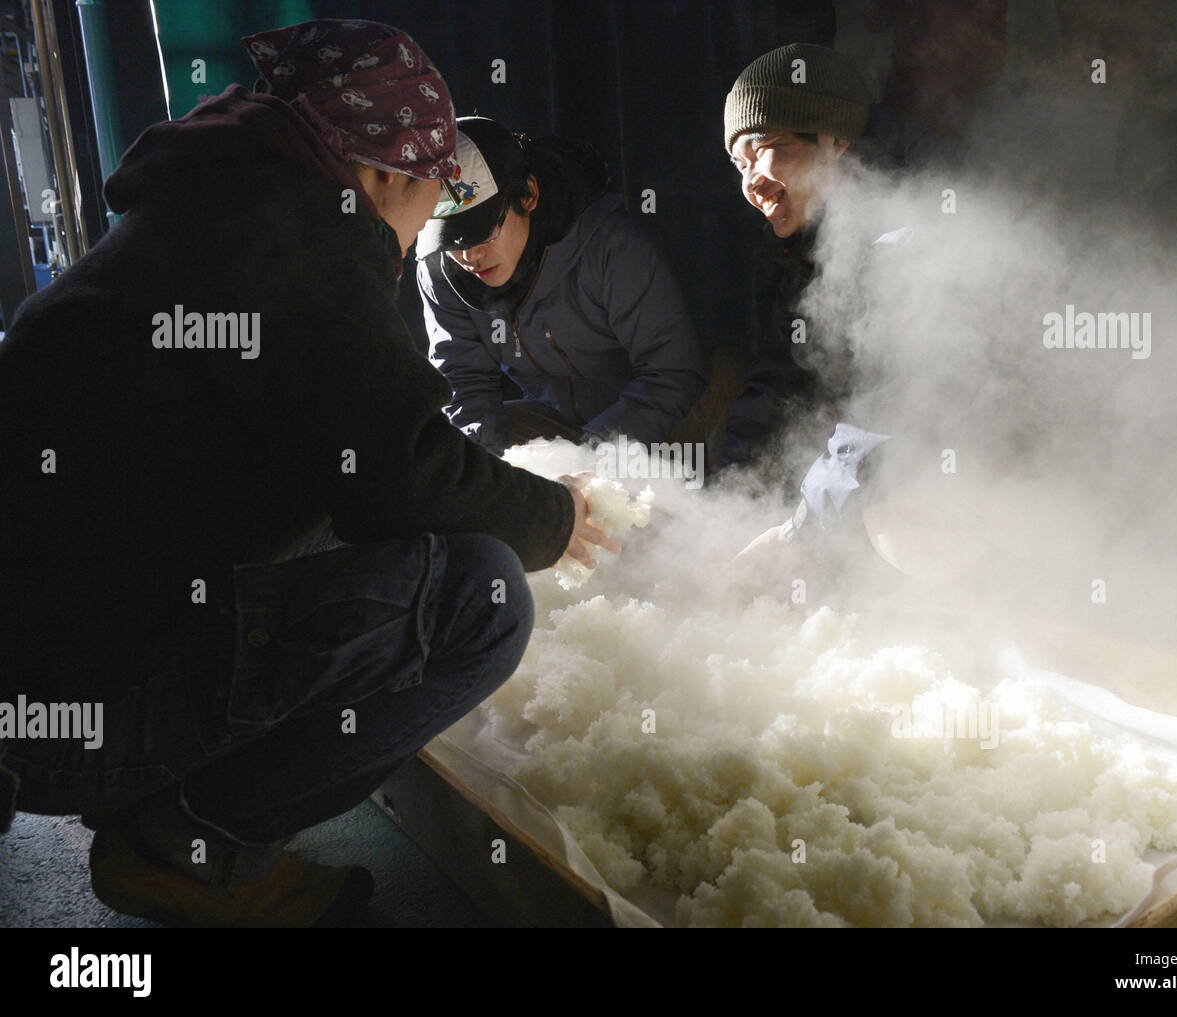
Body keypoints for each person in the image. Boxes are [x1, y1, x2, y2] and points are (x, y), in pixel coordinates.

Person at [0, 19, 616, 927]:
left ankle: (155, 800)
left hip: (46, 669)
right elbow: (406, 472)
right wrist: (556, 518)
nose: (427, 235)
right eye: (431, 200)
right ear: (387, 173)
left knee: (347, 530)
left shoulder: (217, 197)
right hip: (56, 712)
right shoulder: (290, 231)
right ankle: (185, 843)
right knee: (479, 598)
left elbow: (360, 454)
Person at [721, 43, 916, 576]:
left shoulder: (907, 246)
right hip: (882, 474)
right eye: (738, 164)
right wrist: (726, 501)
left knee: (902, 518)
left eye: (766, 148)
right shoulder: (807, 251)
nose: (751, 181)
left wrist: (796, 536)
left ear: (836, 142)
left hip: (980, 483)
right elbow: (779, 386)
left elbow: (894, 416)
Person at [416, 117, 712, 455]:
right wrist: (481, 481)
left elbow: (672, 374)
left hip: (658, 420)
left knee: (725, 384)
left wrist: (590, 460)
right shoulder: (440, 268)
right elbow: (464, 384)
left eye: (481, 232)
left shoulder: (613, 247)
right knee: (464, 456)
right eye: (451, 240)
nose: (469, 255)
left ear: (528, 195)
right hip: (557, 422)